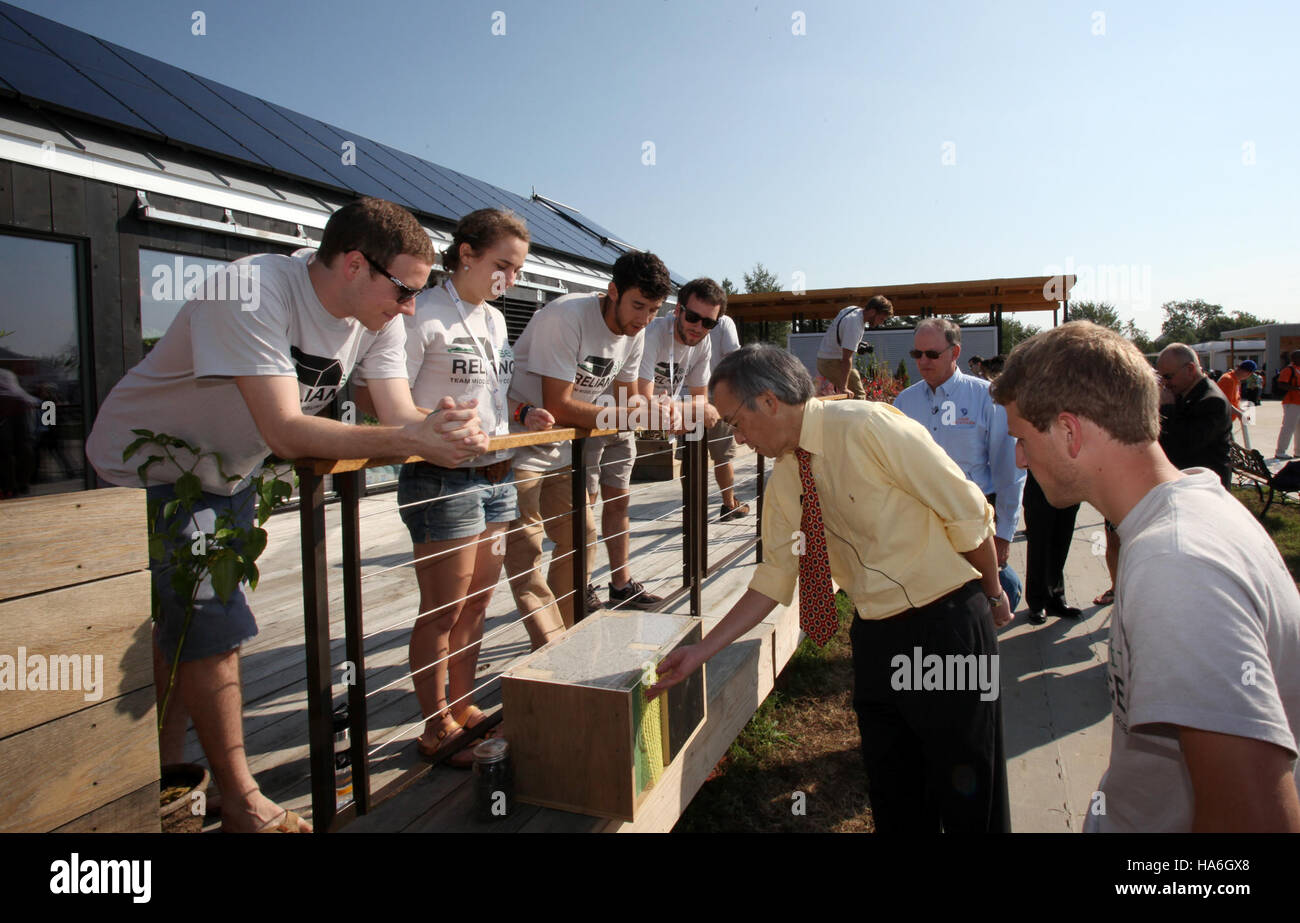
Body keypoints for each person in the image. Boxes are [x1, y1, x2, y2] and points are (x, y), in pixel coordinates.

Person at [86, 197, 489, 832]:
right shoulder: (252, 289)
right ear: (355, 264)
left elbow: (395, 412)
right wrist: (413, 441)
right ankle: (242, 798)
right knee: (213, 625)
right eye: (406, 290)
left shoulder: (377, 318)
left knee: (181, 628)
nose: (411, 307)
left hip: (222, 477)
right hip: (144, 472)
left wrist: (440, 426)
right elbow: (285, 430)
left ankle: (168, 782)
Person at [651, 345, 1012, 832]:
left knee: (969, 791)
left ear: (769, 402)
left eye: (736, 422)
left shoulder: (867, 427)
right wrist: (701, 652)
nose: (737, 438)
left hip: (945, 625)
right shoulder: (784, 479)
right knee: (895, 793)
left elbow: (967, 514)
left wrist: (992, 593)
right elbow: (771, 581)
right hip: (875, 637)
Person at [991, 321, 1300, 832]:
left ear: (1069, 433)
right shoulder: (1191, 505)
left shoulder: (1176, 567)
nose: (1020, 458)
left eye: (1022, 439)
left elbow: (1254, 821)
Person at [387, 209, 554, 766]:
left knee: (478, 603)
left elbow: (491, 392)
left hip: (497, 474)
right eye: (502, 265)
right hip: (441, 477)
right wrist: (429, 426)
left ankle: (461, 706)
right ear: (465, 254)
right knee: (442, 608)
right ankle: (436, 728)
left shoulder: (494, 319)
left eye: (519, 269)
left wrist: (523, 410)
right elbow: (382, 398)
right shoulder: (421, 313)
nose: (511, 278)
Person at [504, 251, 664, 635]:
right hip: (516, 441)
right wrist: (629, 416)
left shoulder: (635, 332)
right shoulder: (566, 316)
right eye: (638, 306)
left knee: (581, 536)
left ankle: (568, 630)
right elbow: (557, 404)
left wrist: (656, 409)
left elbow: (628, 401)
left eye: (654, 310)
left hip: (562, 449)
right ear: (612, 291)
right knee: (525, 550)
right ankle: (549, 642)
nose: (644, 319)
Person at [893, 319, 1028, 618]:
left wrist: (1004, 533)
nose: (923, 361)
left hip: (975, 519)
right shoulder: (904, 402)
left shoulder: (986, 398)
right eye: (917, 354)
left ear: (955, 353)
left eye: (932, 354)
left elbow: (1009, 471)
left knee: (997, 593)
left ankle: (977, 653)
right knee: (935, 604)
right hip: (924, 520)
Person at [1155, 344, 1231, 486]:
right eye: (1161, 378)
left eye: (1168, 376)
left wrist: (1167, 409)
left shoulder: (1212, 401)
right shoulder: (1185, 392)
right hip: (1189, 481)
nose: (1164, 383)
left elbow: (1183, 445)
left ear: (1190, 369)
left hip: (1205, 486)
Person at [705, 310, 748, 520]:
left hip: (687, 397)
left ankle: (692, 507)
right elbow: (733, 359)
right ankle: (729, 504)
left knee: (690, 456)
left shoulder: (683, 321)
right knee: (723, 456)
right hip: (715, 397)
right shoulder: (723, 322)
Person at [814, 296, 894, 399]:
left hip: (826, 358)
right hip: (830, 362)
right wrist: (844, 387)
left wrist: (857, 344)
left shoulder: (854, 311)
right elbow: (847, 359)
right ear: (873, 312)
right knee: (858, 394)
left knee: (853, 382)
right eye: (881, 319)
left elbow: (840, 335)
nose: (881, 323)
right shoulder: (854, 325)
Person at [1274, 349, 1300, 459]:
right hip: (1291, 402)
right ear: (1294, 358)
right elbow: (1281, 384)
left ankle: (1298, 451)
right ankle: (1280, 451)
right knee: (1288, 427)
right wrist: (1296, 388)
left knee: (1299, 428)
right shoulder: (1289, 370)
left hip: (1298, 402)